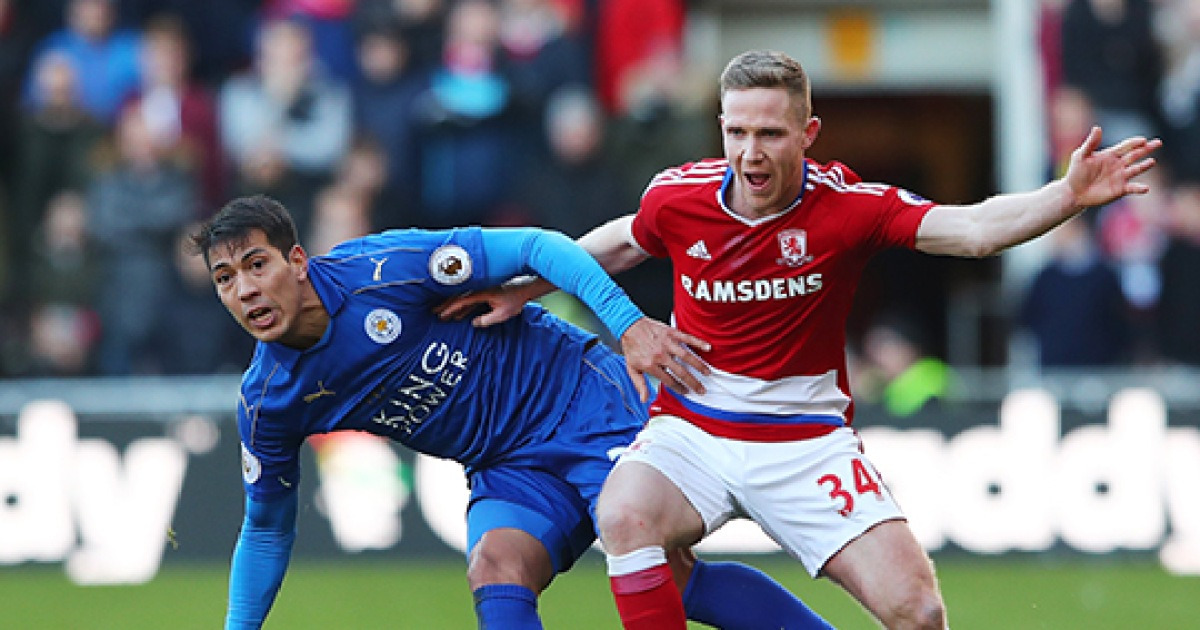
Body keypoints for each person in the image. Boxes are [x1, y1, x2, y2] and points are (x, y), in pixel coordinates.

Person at [439, 49, 1162, 629]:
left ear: (807, 135)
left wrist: (1064, 196)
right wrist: (527, 286)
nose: (750, 153)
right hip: (693, 425)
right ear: (720, 127)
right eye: (737, 132)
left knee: (919, 612)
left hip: (805, 439)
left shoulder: (849, 207)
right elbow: (619, 244)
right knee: (624, 514)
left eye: (770, 134)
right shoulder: (679, 197)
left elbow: (972, 230)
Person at [191, 194, 831, 629]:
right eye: (225, 280)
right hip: (505, 463)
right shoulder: (270, 399)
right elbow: (268, 529)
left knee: (667, 572)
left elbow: (537, 246)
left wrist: (628, 324)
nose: (245, 290)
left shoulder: (383, 271)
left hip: (584, 405)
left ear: (297, 262)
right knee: (496, 567)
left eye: (257, 265)